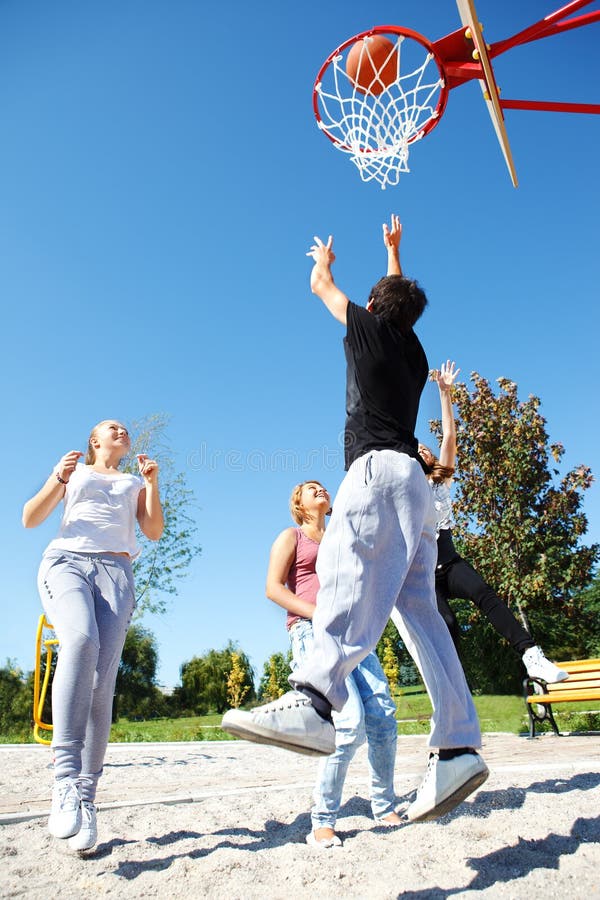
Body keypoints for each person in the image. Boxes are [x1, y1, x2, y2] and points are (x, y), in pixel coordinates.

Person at [223, 215, 489, 823]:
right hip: (416, 488)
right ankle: (456, 743)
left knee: (344, 570)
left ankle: (315, 700)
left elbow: (321, 286)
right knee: (420, 609)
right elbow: (397, 302)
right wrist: (394, 253)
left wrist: (325, 264)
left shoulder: (369, 326)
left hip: (375, 472)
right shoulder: (414, 350)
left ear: (373, 306)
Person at [22, 420, 164, 851]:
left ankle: (86, 799)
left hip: (117, 574)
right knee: (80, 640)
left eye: (123, 427)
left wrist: (152, 485)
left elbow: (153, 531)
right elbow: (30, 519)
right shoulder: (75, 472)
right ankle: (64, 779)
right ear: (94, 441)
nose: (120, 429)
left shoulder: (133, 482)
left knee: (102, 685)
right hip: (67, 562)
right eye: (110, 426)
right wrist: (57, 477)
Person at [414, 361, 568, 685]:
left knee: (484, 593)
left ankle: (531, 656)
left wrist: (445, 394)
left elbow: (450, 435)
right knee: (448, 622)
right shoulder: (405, 488)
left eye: (426, 447)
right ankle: (452, 689)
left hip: (449, 558)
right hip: (423, 568)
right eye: (419, 449)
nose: (426, 449)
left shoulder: (440, 482)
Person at [267, 479, 401, 848]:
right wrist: (318, 613)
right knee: (349, 720)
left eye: (322, 486)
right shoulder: (291, 537)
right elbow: (274, 588)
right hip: (313, 631)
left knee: (383, 714)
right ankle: (323, 821)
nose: (320, 489)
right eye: (311, 488)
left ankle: (384, 804)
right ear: (299, 503)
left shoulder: (343, 537)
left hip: (354, 633)